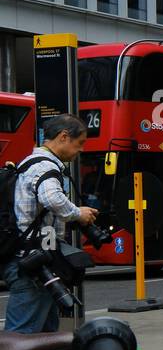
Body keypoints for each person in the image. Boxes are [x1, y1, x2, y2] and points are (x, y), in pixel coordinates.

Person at [3, 115, 98, 333]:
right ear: (64, 137)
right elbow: (52, 199)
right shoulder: (45, 167)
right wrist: (77, 213)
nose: (81, 150)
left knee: (45, 339)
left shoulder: (27, 162)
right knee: (21, 339)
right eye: (80, 143)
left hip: (32, 259)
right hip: (32, 264)